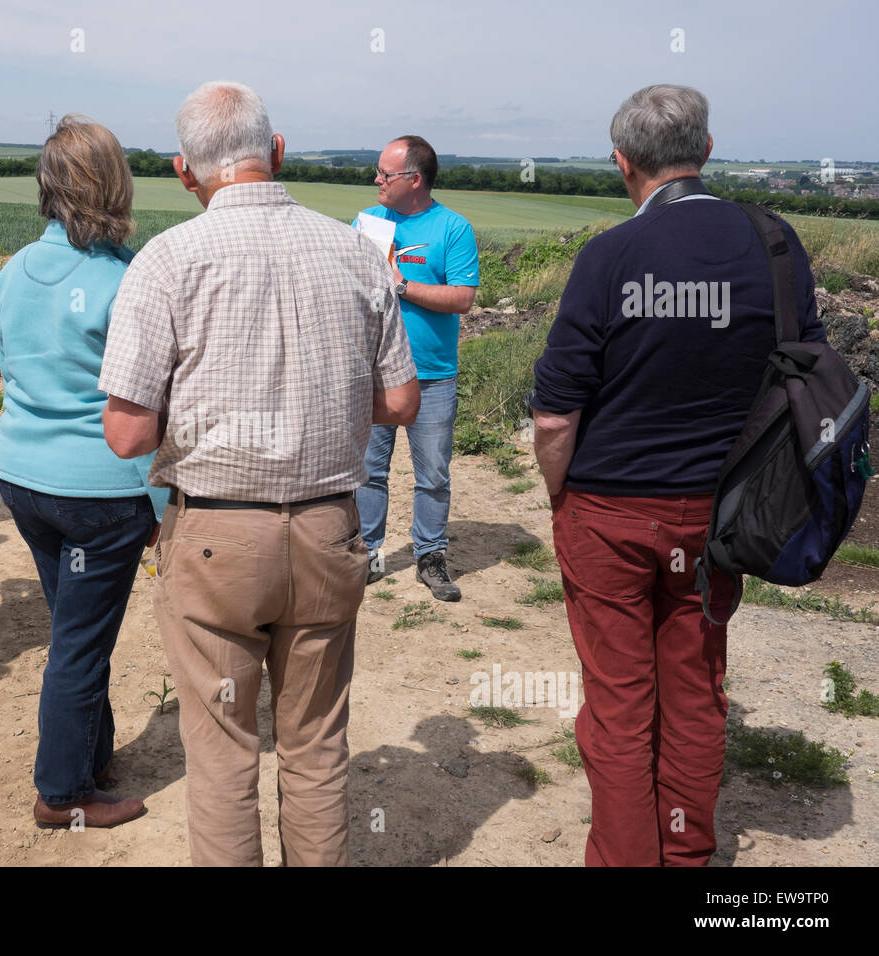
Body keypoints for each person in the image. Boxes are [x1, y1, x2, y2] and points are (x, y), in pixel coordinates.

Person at [100, 81, 419, 866]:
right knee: (315, 746)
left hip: (214, 536)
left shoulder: (165, 260)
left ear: (184, 171)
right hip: (327, 528)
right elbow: (402, 401)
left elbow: (127, 434)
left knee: (221, 754)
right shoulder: (355, 251)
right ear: (277, 154)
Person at [531, 84, 827, 866]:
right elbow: (806, 371)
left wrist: (559, 493)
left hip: (610, 509)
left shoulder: (610, 255)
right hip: (722, 513)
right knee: (695, 695)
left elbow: (556, 414)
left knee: (619, 704)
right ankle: (687, 856)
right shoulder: (772, 241)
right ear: (705, 149)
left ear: (622, 162)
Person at [0, 115, 167, 829]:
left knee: (72, 624)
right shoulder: (127, 277)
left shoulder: (12, 269)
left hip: (23, 477)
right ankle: (62, 794)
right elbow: (150, 403)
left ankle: (91, 756)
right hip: (101, 491)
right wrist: (159, 503)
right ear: (113, 184)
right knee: (80, 644)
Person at [354, 135, 479, 602]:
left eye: (385, 174)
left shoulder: (453, 228)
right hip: (377, 371)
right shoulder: (368, 223)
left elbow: (463, 298)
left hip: (433, 374)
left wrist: (401, 286)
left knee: (434, 475)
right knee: (369, 470)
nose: (377, 181)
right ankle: (367, 553)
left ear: (415, 180)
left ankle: (431, 555)